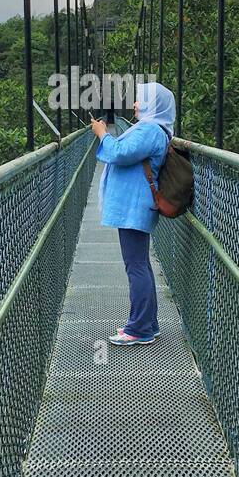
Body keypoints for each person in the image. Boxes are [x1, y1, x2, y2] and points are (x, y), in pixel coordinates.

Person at [89, 81, 176, 346]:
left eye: (140, 100)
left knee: (136, 266)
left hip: (134, 206)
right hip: (135, 204)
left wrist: (103, 133)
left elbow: (120, 153)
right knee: (140, 265)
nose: (135, 104)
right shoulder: (153, 129)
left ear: (153, 105)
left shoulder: (149, 130)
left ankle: (139, 329)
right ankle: (148, 323)